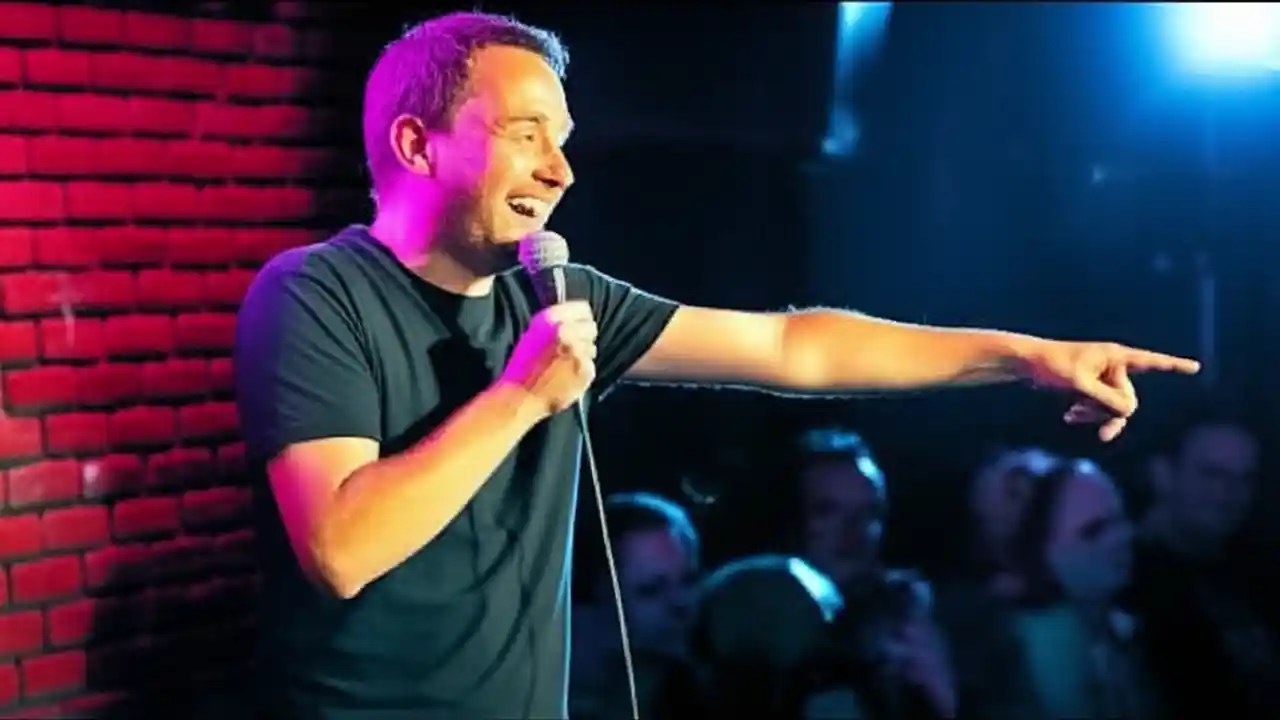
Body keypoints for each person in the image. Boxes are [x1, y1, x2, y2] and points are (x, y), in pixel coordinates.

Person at [231, 10, 1201, 719]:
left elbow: (794, 346)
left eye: (563, 144)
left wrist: (1026, 356)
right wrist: (521, 396)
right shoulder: (315, 296)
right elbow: (341, 548)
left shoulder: (560, 304)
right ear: (416, 142)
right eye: (527, 137)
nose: (560, 172)